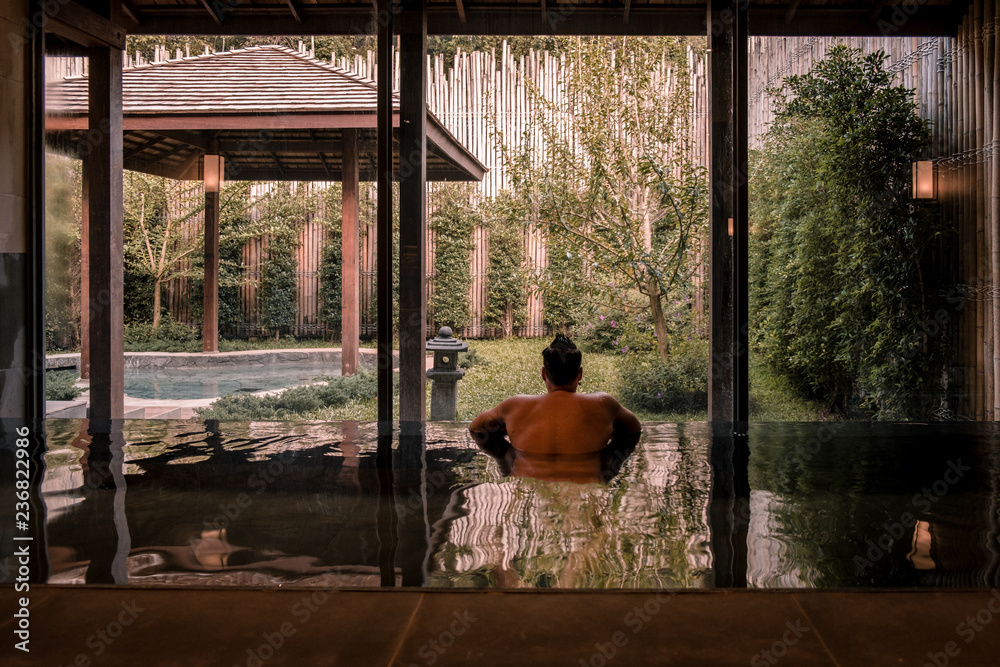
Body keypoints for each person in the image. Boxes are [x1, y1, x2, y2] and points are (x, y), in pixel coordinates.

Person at [469, 334, 642, 482]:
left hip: (525, 487)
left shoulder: (515, 405)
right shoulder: (603, 403)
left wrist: (505, 458)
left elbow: (476, 427)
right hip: (586, 491)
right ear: (579, 374)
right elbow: (633, 429)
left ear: (544, 374)